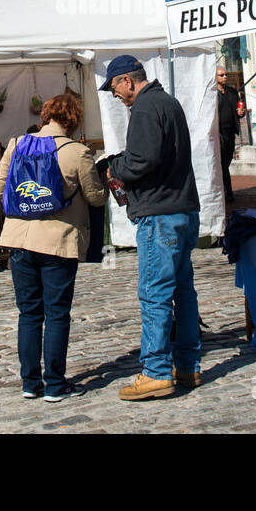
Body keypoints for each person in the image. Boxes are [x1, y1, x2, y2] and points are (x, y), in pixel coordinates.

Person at [0, 93, 108, 401]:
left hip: (18, 239)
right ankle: (55, 384)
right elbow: (96, 197)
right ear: (73, 120)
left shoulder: (17, 144)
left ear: (46, 116)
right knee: (57, 314)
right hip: (58, 241)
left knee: (29, 313)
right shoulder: (77, 152)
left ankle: (30, 383)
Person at [101, 54, 201, 401]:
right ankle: (187, 365)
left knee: (155, 292)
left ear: (128, 80)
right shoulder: (169, 103)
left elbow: (144, 159)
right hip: (183, 207)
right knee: (183, 291)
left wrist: (116, 166)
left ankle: (156, 371)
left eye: (115, 86)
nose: (115, 94)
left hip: (160, 213)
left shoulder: (145, 107)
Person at [215, 67, 245, 204]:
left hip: (230, 132)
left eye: (226, 74)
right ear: (216, 77)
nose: (225, 77)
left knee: (226, 162)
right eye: (222, 75)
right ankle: (228, 192)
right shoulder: (212, 94)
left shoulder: (232, 92)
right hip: (218, 132)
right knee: (222, 164)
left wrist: (241, 113)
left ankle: (225, 190)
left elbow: (239, 110)